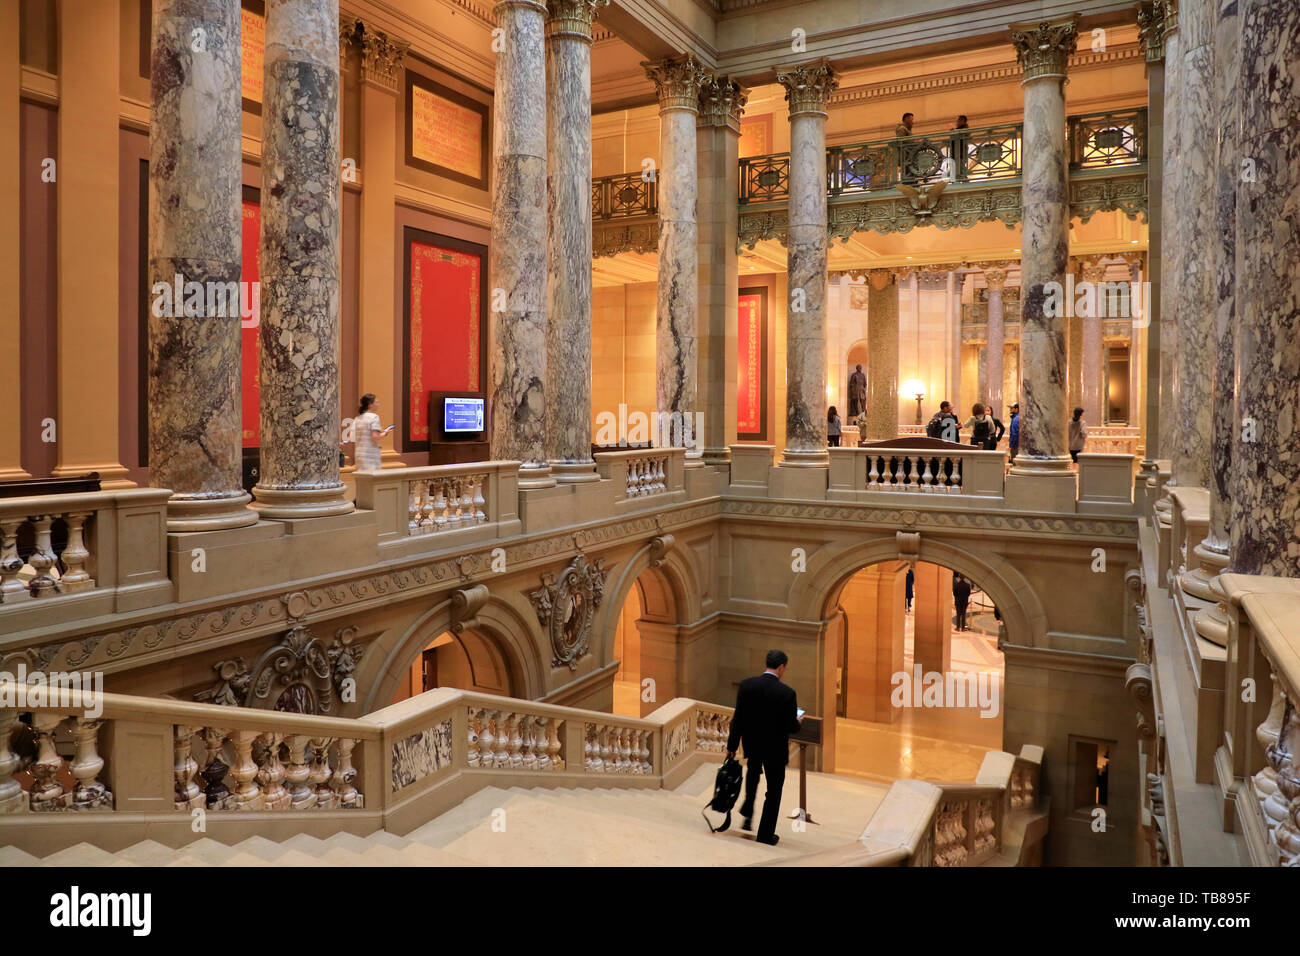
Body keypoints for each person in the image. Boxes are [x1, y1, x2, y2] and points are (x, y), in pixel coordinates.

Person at [726, 649, 803, 846]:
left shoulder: (747, 685)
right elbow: (791, 727)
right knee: (774, 790)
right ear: (781, 667)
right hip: (775, 750)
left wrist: (732, 746)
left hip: (752, 745)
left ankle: (749, 809)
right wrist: (798, 721)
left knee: (753, 772)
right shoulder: (787, 693)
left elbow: (738, 719)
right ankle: (765, 834)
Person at [347, 393, 395, 471]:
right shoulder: (374, 417)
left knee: (362, 480)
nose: (378, 404)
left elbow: (350, 436)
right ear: (370, 404)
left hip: (359, 455)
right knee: (373, 481)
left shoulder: (357, 418)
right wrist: (385, 433)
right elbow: (375, 437)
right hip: (371, 456)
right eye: (376, 402)